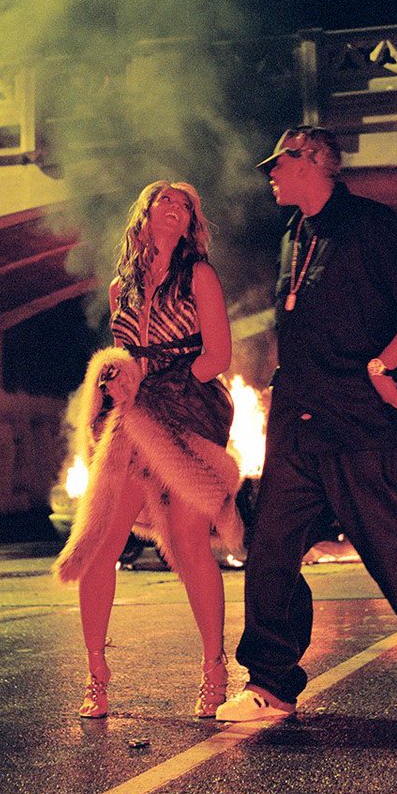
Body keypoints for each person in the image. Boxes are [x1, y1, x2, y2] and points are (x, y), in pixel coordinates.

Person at [216, 126, 397, 723]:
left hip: (357, 421)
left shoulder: (369, 225)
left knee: (394, 552)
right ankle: (270, 685)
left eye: (279, 162)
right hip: (296, 423)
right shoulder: (293, 235)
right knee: (270, 552)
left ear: (313, 161)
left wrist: (384, 364)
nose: (270, 173)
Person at [55, 181, 242, 719]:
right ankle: (96, 674)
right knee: (101, 543)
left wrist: (163, 386)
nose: (176, 208)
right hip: (131, 418)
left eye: (186, 205)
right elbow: (125, 354)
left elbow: (218, 356)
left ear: (190, 224)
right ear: (145, 215)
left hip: (190, 413)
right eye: (166, 200)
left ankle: (214, 668)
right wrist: (118, 380)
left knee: (188, 541)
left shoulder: (199, 275)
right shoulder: (122, 287)